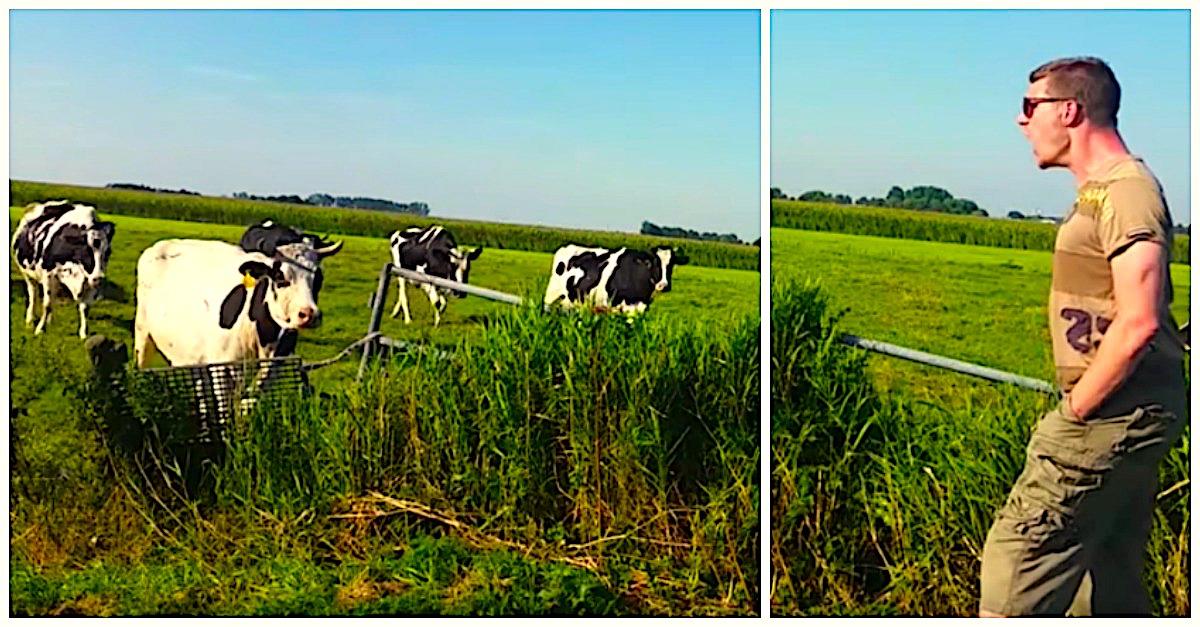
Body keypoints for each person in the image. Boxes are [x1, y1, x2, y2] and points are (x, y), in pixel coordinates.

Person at [978, 57, 1189, 617]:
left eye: (1030, 106)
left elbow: (1140, 319)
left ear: (1069, 110)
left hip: (1109, 414)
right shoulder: (1104, 192)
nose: (1022, 122)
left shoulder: (1127, 192)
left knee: (1018, 561)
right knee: (1103, 586)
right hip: (1122, 410)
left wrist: (1074, 411)